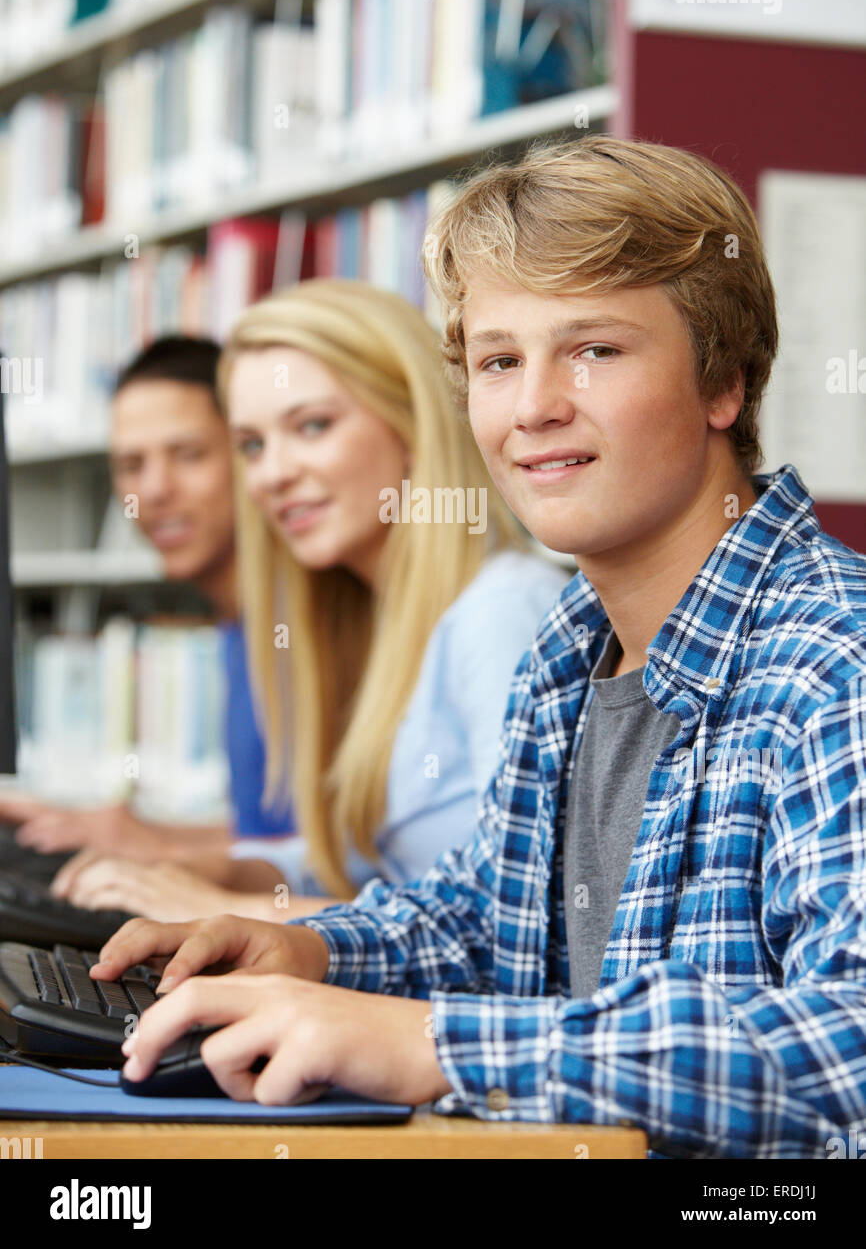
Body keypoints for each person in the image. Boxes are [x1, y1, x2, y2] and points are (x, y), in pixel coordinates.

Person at [94, 135, 866, 1159]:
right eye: (499, 360)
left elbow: (847, 1045)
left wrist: (434, 1044)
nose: (534, 405)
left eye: (592, 349)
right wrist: (311, 945)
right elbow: (487, 914)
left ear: (720, 382)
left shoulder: (831, 658)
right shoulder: (566, 649)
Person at [53, 279, 567, 921]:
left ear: (413, 425)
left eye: (313, 426)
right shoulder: (378, 619)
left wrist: (227, 909)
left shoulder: (503, 613)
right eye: (253, 445)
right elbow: (375, 864)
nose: (272, 473)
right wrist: (233, 870)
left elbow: (524, 929)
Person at [0, 336, 293, 858]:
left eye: (188, 454)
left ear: (252, 452)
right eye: (132, 465)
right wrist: (116, 832)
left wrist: (156, 845)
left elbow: (352, 869)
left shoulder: (305, 630)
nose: (154, 491)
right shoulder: (236, 631)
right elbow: (276, 845)